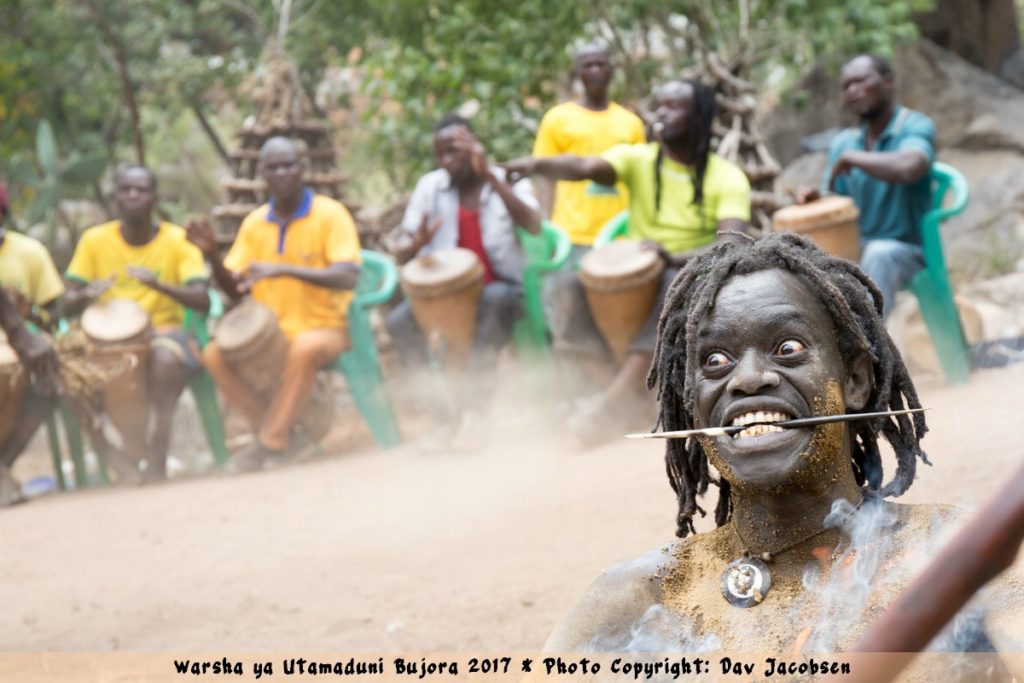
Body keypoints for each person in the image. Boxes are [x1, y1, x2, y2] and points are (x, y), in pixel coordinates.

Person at [544, 233, 1021, 673]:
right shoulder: (638, 597)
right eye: (715, 361)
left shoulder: (961, 553)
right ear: (692, 406)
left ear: (853, 381)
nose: (748, 378)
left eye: (787, 348)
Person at [504, 79, 750, 440]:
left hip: (693, 270)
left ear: (699, 117)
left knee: (672, 282)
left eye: (674, 106)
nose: (661, 113)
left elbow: (732, 245)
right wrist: (537, 164)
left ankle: (610, 404)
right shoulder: (639, 161)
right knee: (572, 284)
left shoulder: (726, 176)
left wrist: (675, 256)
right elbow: (584, 165)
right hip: (643, 268)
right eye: (659, 105)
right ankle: (630, 399)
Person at [188, 136, 362, 472]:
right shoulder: (254, 224)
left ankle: (271, 441)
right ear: (262, 174)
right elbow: (237, 290)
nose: (281, 173)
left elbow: (347, 277)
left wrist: (283, 269)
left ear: (302, 169)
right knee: (212, 354)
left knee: (304, 347)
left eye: (288, 165)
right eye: (273, 167)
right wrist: (212, 255)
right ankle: (283, 437)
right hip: (271, 335)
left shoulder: (330, 214)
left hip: (325, 328)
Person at [386, 114, 541, 444]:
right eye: (441, 154)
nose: (447, 161)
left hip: (503, 292)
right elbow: (402, 249)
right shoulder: (430, 187)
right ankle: (442, 419)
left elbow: (533, 225)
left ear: (473, 147)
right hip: (447, 301)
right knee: (400, 321)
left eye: (454, 152)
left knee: (494, 298)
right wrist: (414, 244)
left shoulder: (506, 179)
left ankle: (475, 413)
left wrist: (490, 177)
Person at [64, 166, 210, 483]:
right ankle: (111, 455)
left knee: (164, 361)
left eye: (141, 190)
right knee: (66, 374)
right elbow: (65, 302)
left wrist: (160, 287)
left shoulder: (177, 241)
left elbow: (202, 300)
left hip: (162, 332)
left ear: (155, 198)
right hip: (101, 341)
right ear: (115, 199)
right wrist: (87, 294)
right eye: (126, 189)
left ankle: (157, 455)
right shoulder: (94, 240)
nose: (133, 195)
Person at [800, 54, 934, 319]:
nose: (852, 91)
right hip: (857, 249)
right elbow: (838, 204)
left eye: (861, 81)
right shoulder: (844, 142)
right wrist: (816, 199)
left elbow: (910, 167)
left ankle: (869, 348)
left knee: (880, 253)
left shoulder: (914, 125)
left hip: (907, 252)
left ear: (887, 82)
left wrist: (855, 159)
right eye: (846, 85)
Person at [532, 43, 645, 246]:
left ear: (611, 70)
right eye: (588, 65)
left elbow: (641, 179)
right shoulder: (557, 118)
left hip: (621, 236)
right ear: (578, 71)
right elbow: (545, 175)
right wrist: (546, 229)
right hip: (571, 235)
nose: (595, 70)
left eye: (601, 64)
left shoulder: (631, 122)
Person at [0, 183, 62, 505]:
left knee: (48, 379)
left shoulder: (28, 252)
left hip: (18, 348)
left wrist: (28, 318)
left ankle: (2, 467)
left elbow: (53, 314)